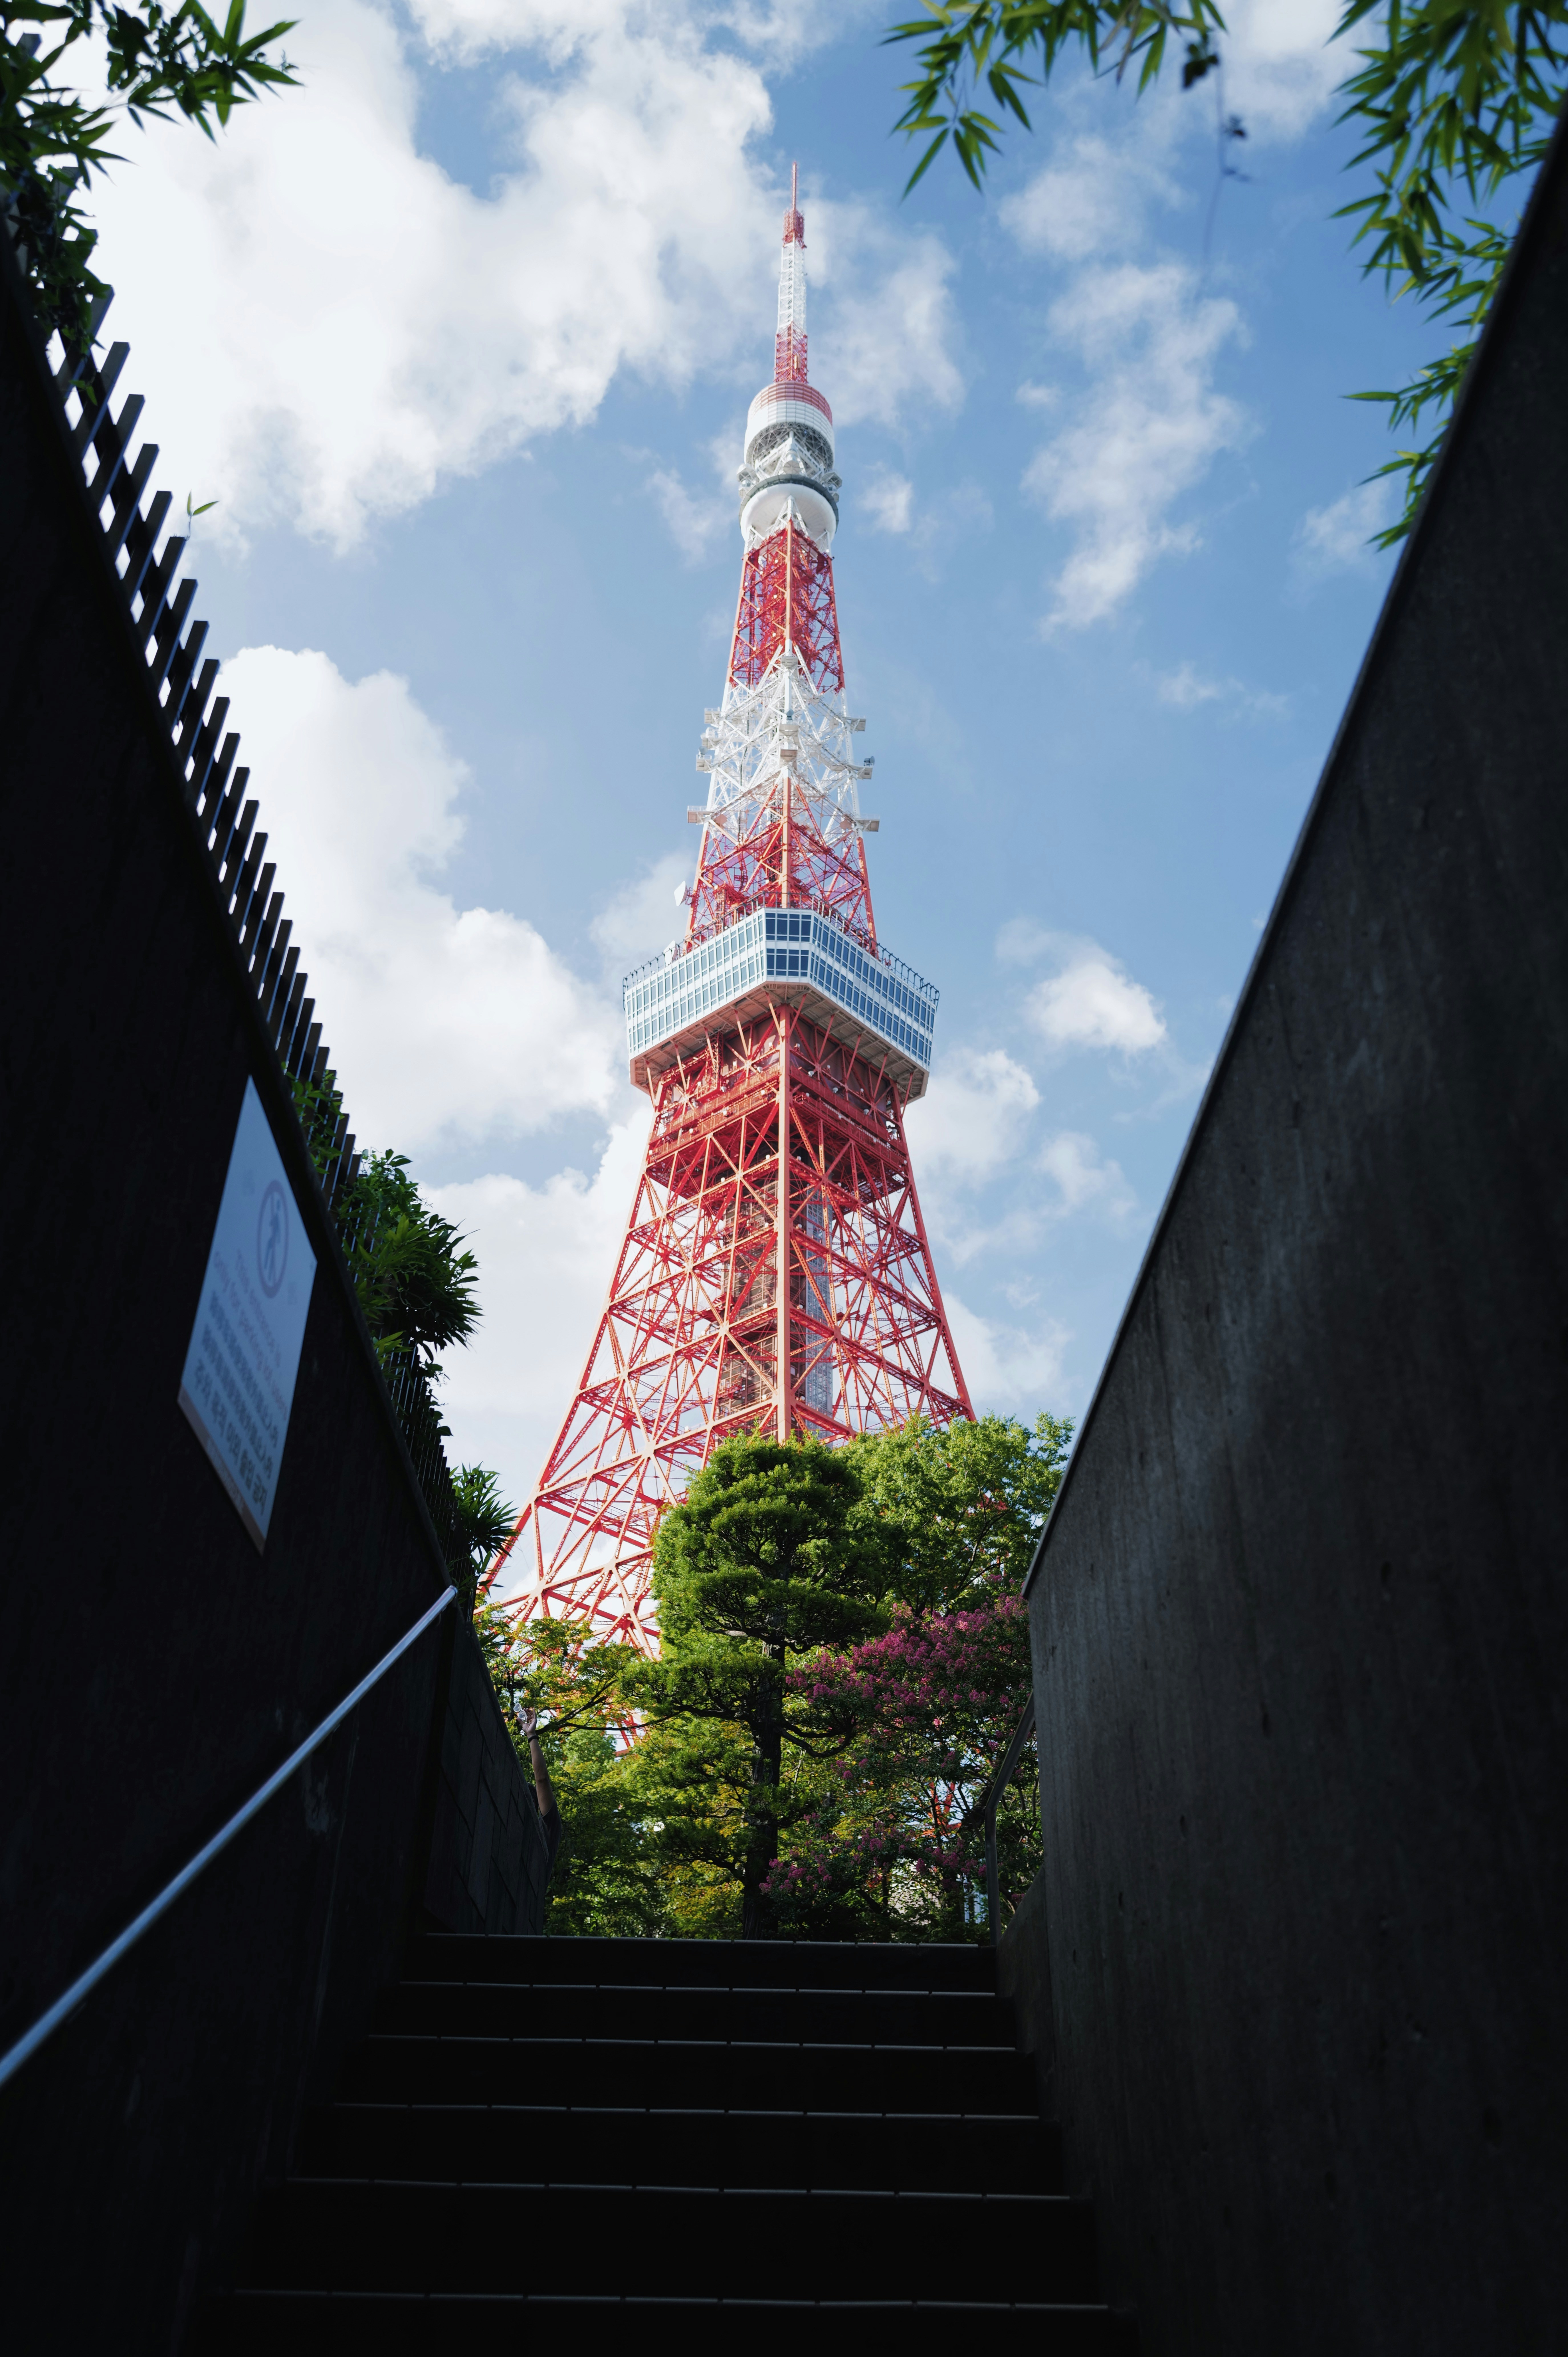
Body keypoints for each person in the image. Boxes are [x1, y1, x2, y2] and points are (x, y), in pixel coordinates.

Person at [520, 1705, 563, 1882]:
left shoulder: (545, 1830)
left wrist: (531, 1735)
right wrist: (531, 1735)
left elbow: (542, 1780)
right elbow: (542, 1781)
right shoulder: (544, 1834)